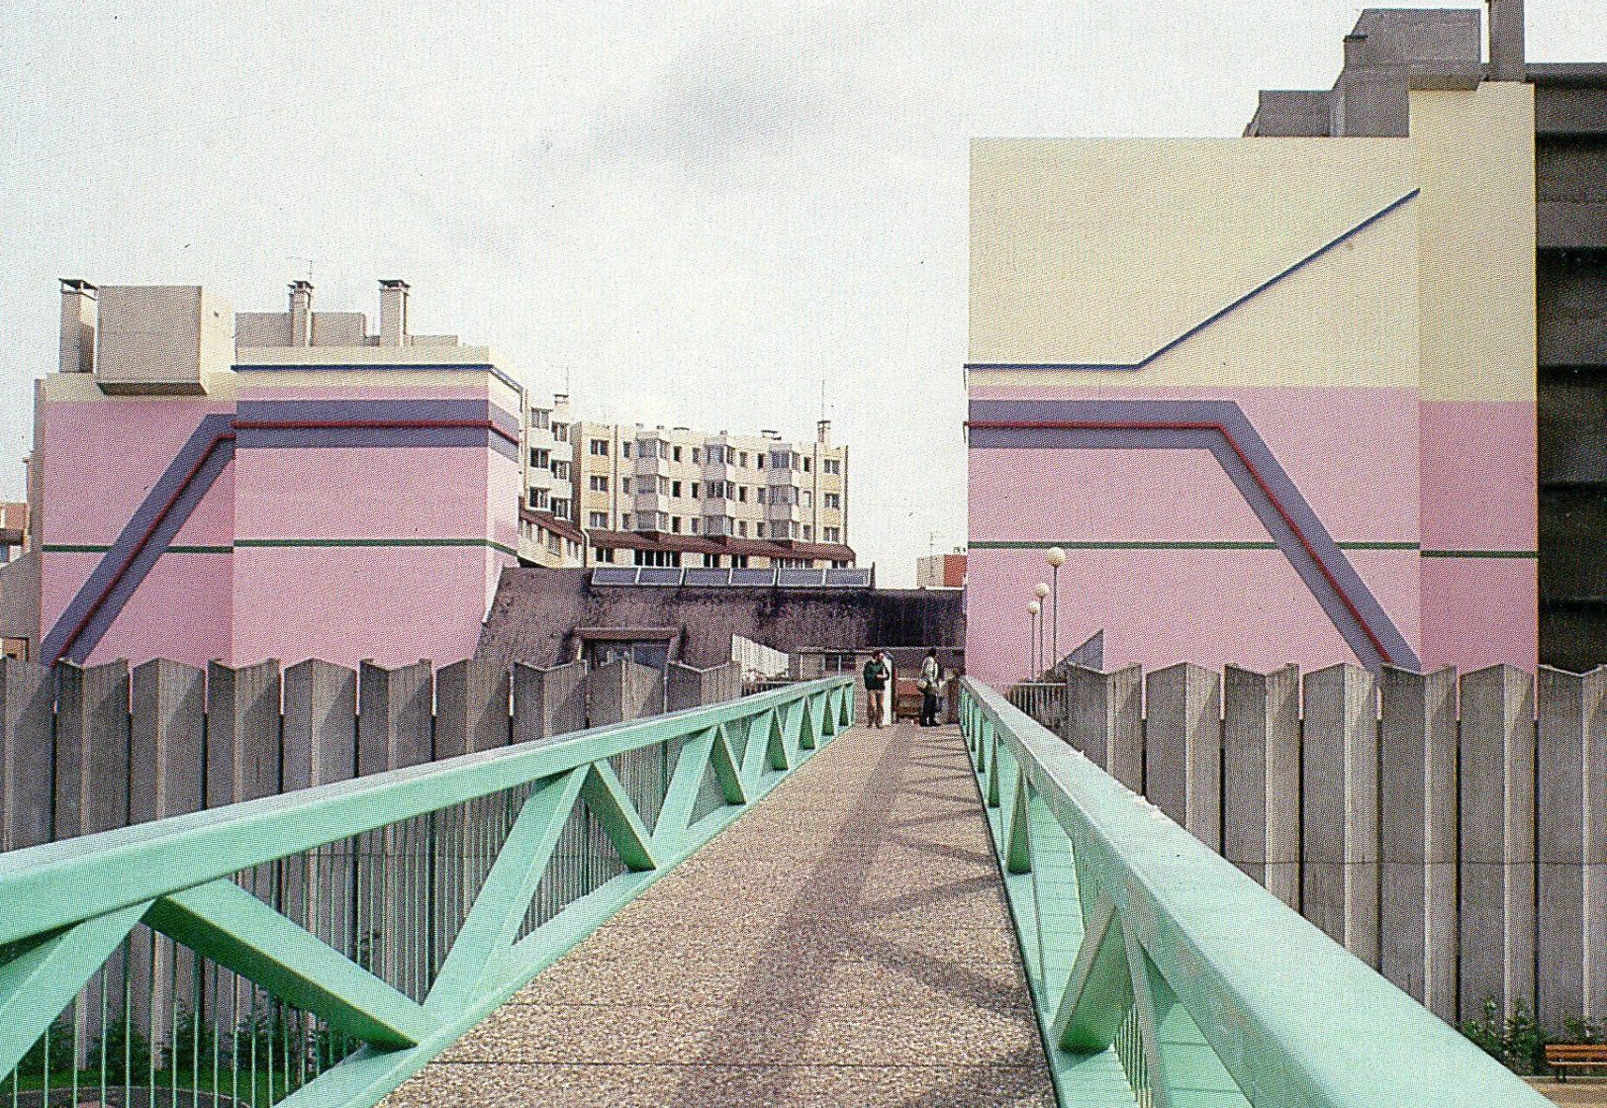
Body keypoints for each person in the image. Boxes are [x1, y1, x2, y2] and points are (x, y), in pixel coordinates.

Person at [862, 650, 890, 728]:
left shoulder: (882, 664)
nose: (882, 658)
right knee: (872, 705)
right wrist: (876, 676)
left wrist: (884, 676)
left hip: (881, 688)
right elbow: (866, 675)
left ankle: (879, 722)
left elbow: (887, 675)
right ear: (876, 656)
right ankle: (871, 721)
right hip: (872, 688)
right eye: (881, 656)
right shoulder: (869, 665)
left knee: (880, 706)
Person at [918, 648, 941, 727]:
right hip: (929, 684)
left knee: (932, 702)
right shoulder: (931, 660)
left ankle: (931, 719)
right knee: (929, 702)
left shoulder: (927, 659)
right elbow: (928, 671)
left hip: (930, 683)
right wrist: (931, 682)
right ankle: (925, 720)